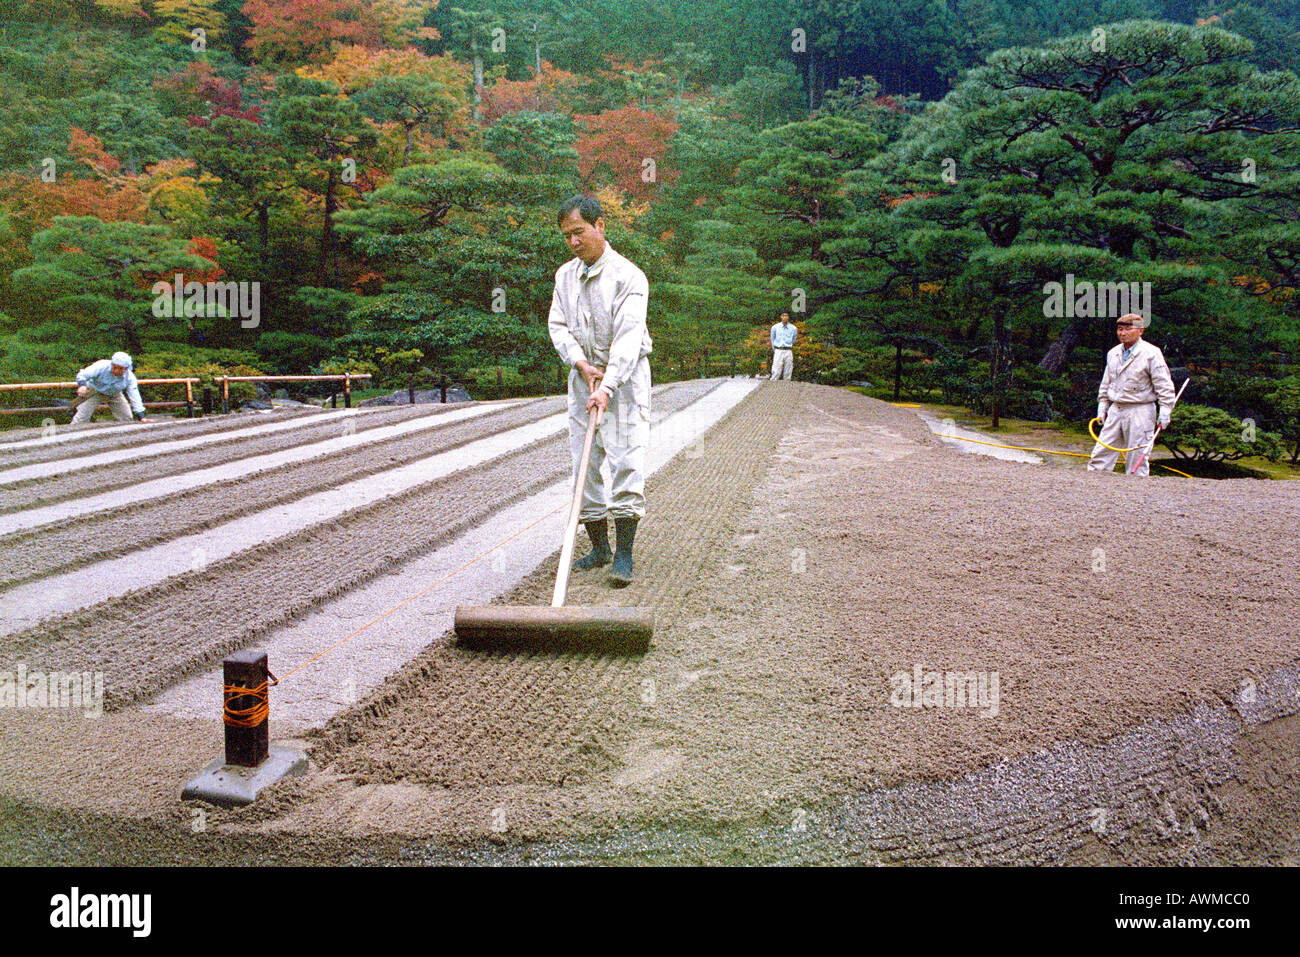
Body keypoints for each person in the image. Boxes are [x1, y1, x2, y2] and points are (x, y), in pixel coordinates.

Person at [547, 195, 652, 587]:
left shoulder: (629, 276)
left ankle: (623, 554)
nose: (574, 242)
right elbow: (557, 325)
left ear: (600, 226)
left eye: (579, 232)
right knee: (585, 463)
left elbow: (628, 338)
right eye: (567, 236)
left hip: (624, 381)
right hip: (583, 376)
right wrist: (579, 363)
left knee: (626, 458)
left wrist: (607, 385)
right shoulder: (564, 276)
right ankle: (599, 548)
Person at [1088, 313, 1177, 476]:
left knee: (1137, 458)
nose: (1123, 333)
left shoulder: (1151, 353)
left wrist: (1165, 409)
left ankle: (1136, 495)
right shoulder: (1113, 353)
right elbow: (1106, 382)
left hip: (1140, 410)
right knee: (1100, 454)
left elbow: (1163, 384)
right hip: (1116, 409)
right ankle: (1093, 489)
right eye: (1120, 329)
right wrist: (1102, 406)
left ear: (1140, 330)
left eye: (1128, 329)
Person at [72, 351, 146, 424]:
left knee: (126, 419)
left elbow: (134, 395)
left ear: (126, 368)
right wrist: (82, 385)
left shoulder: (130, 378)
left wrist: (141, 416)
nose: (116, 371)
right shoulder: (101, 366)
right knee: (81, 418)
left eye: (120, 368)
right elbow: (82, 375)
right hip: (94, 391)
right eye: (114, 367)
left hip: (115, 394)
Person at [770, 312, 797, 380]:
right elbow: (772, 339)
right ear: (781, 317)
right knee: (776, 369)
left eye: (786, 316)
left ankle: (786, 386)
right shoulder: (775, 327)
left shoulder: (793, 328)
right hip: (778, 350)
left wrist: (789, 346)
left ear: (788, 317)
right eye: (783, 316)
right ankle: (773, 384)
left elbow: (794, 339)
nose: (785, 317)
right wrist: (775, 349)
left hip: (788, 350)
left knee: (788, 369)